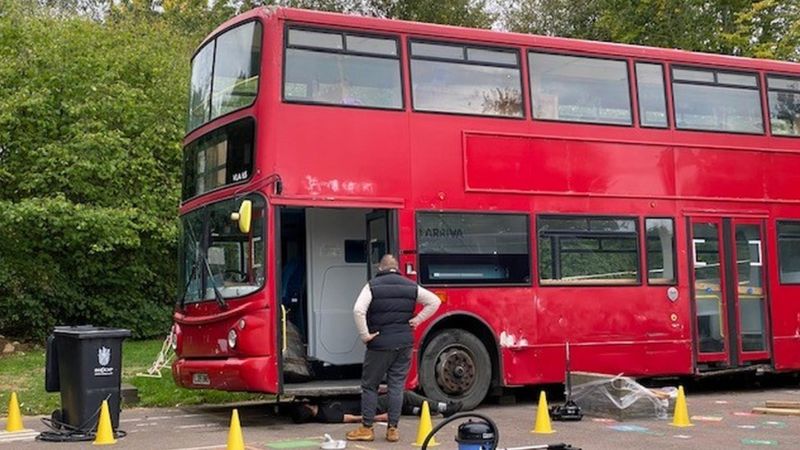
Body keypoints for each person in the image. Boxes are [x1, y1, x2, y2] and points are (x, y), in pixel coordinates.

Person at [346, 254, 441, 443]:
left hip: (379, 344)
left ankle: (367, 428)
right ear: (396, 268)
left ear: (380, 268)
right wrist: (417, 320)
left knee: (370, 386)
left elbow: (358, 310)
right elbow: (435, 301)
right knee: (396, 387)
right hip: (404, 343)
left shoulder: (372, 285)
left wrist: (365, 335)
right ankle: (392, 430)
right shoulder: (410, 286)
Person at [289, 391, 462, 424]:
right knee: (404, 395)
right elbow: (352, 419)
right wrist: (379, 418)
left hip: (368, 400)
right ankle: (444, 408)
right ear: (306, 408)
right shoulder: (327, 415)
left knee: (400, 404)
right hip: (372, 407)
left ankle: (423, 411)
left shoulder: (321, 405)